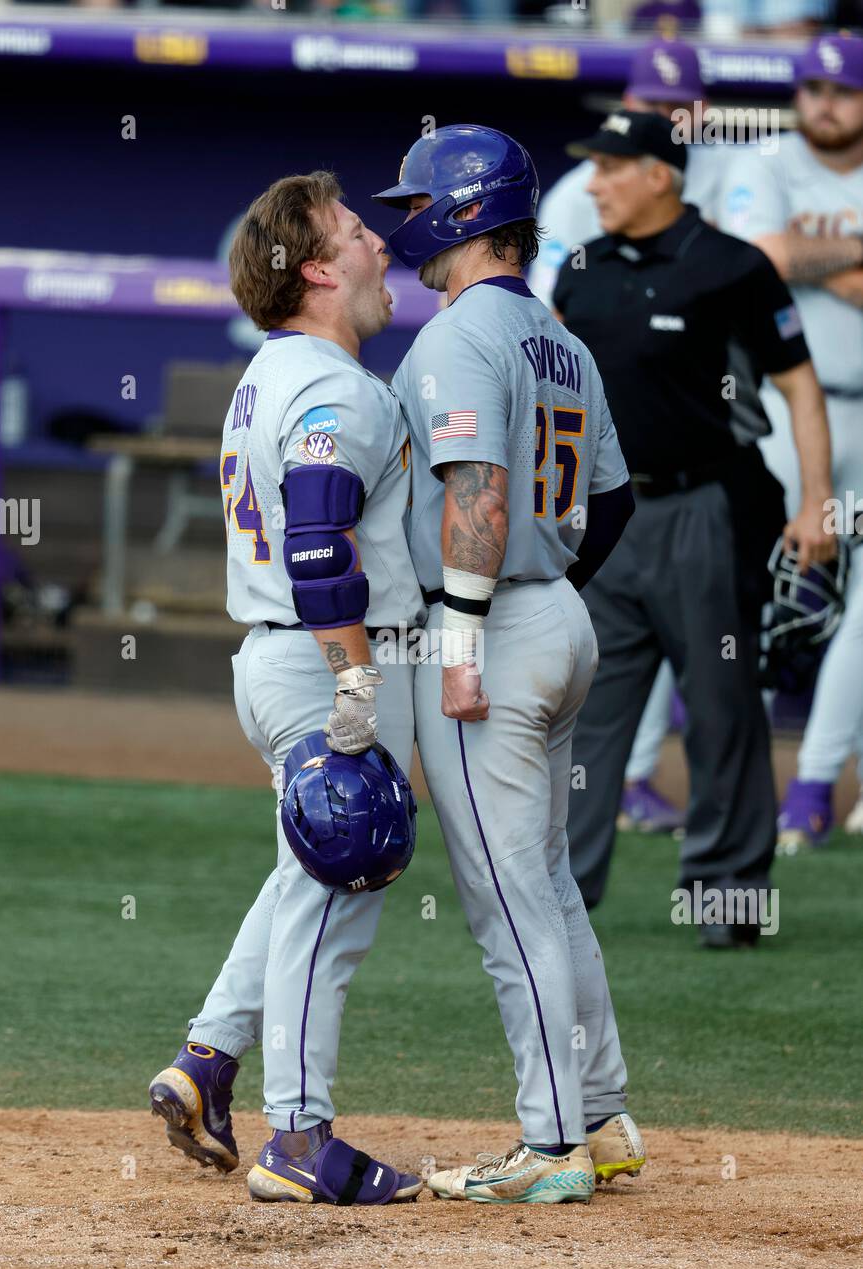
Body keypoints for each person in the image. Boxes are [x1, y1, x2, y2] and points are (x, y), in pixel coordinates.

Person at [373, 125, 645, 1205]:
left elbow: (477, 495)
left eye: (417, 205)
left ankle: (549, 1141)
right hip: (556, 618)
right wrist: (546, 586)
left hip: (481, 628)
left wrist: (466, 637)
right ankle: (603, 1112)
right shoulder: (556, 336)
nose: (406, 225)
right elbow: (614, 498)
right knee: (551, 886)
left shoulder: (453, 337)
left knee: (506, 900)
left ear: (461, 211)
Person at [148, 171, 427, 1206]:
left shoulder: (273, 373)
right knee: (337, 893)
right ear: (315, 268)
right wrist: (356, 679)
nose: (378, 245)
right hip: (327, 659)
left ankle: (209, 1060)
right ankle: (300, 1138)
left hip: (279, 655)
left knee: (303, 875)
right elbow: (317, 542)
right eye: (357, 232)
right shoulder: (333, 384)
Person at [553, 112, 835, 947]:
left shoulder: (731, 266)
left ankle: (727, 895)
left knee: (720, 705)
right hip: (605, 518)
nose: (595, 184)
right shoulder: (581, 270)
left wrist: (817, 498)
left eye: (610, 167)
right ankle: (558, 895)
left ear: (659, 175)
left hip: (708, 508)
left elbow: (801, 387)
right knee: (588, 707)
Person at [529, 38, 717, 838]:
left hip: (697, 439)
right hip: (598, 434)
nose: (658, 121)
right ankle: (594, 798)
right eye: (645, 106)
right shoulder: (582, 194)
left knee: (703, 638)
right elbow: (544, 323)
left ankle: (650, 788)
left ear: (700, 115)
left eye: (674, 110)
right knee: (597, 626)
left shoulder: (723, 174)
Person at [719, 32, 863, 849]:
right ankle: (681, 784)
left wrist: (818, 266)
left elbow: (787, 258)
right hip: (783, 413)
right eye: (812, 88)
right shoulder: (767, 160)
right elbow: (762, 253)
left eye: (843, 90)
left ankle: (812, 785)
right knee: (759, 601)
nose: (826, 103)